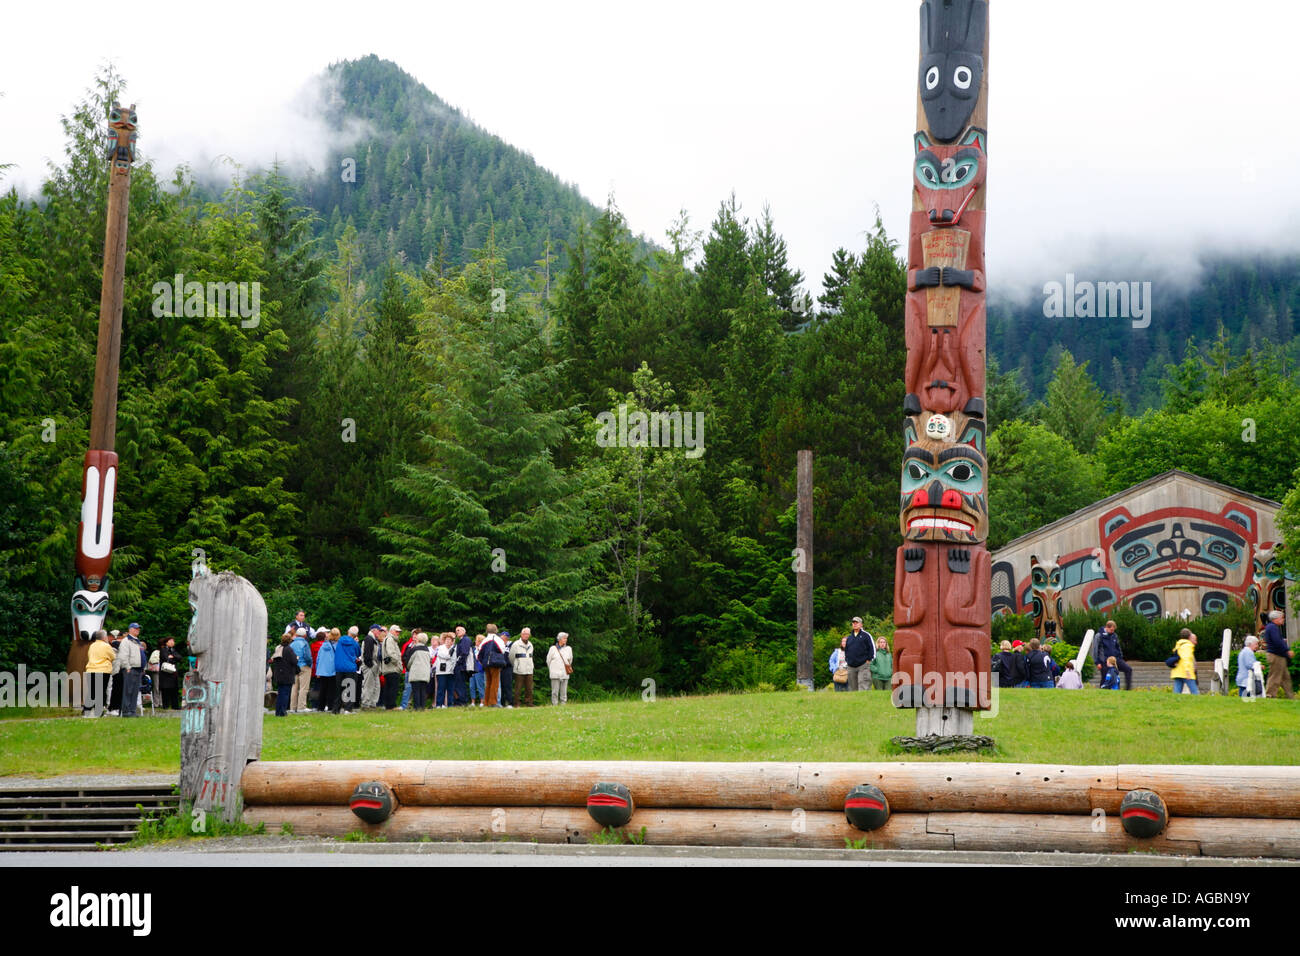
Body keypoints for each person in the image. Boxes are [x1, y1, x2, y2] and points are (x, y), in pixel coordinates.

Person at [1262, 610, 1294, 700]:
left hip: (1279, 655)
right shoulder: (1272, 627)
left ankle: (1290, 697)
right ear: (1275, 619)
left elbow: (1277, 641)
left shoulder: (1272, 627)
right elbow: (1277, 641)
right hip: (1276, 656)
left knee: (1285, 678)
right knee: (1275, 676)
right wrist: (1287, 650)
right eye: (1282, 618)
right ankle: (1270, 696)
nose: (1283, 619)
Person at [83, 630, 115, 718]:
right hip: (103, 670)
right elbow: (113, 656)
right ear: (104, 637)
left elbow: (89, 656)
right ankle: (98, 712)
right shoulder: (106, 646)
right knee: (101, 692)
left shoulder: (92, 645)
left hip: (91, 669)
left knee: (92, 691)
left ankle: (86, 710)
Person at [1094, 620, 1132, 690]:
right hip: (1105, 661)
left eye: (1113, 630)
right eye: (1111, 630)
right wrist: (1097, 662)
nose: (1112, 631)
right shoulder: (1099, 636)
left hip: (1116, 659)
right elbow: (1095, 650)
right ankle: (1102, 691)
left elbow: (1118, 647)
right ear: (1107, 627)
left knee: (1128, 669)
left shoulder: (1114, 635)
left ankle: (1128, 690)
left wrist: (1120, 657)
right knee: (1105, 677)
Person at [117, 622, 145, 717]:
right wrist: (127, 667)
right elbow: (123, 655)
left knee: (135, 691)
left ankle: (132, 711)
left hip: (138, 669)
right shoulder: (126, 641)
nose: (138, 630)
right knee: (128, 690)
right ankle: (126, 711)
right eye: (135, 628)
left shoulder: (137, 641)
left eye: (138, 628)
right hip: (131, 669)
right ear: (130, 630)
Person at [843, 617, 875, 692]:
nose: (855, 624)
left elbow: (872, 649)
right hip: (851, 666)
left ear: (861, 624)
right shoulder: (849, 637)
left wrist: (869, 660)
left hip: (863, 665)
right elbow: (846, 651)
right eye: (853, 623)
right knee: (852, 688)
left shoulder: (866, 635)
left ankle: (866, 701)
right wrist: (847, 661)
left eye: (857, 623)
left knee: (863, 686)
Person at [270, 633, 298, 717]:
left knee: (280, 694)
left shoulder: (279, 648)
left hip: (279, 674)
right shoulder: (289, 649)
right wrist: (297, 658)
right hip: (287, 675)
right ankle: (283, 712)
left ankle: (278, 711)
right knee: (285, 694)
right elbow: (294, 661)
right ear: (290, 640)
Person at [336, 626, 361, 713]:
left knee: (339, 688)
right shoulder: (355, 643)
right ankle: (348, 709)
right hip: (350, 667)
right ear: (356, 635)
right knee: (350, 688)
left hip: (339, 667)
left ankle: (336, 709)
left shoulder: (340, 640)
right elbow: (358, 654)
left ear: (348, 631)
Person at [405, 633, 433, 710]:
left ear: (419, 639)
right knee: (423, 690)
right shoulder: (427, 649)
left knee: (416, 690)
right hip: (425, 673)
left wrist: (409, 667)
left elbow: (409, 661)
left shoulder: (414, 649)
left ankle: (417, 707)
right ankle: (422, 706)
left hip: (416, 672)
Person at [480, 627, 506, 708]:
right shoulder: (498, 639)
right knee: (495, 683)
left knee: (488, 683)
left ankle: (486, 702)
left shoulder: (484, 640)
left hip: (486, 664)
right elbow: (502, 650)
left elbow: (479, 653)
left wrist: (483, 662)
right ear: (496, 631)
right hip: (495, 663)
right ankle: (493, 702)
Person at [380, 625, 404, 710]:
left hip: (388, 668)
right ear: (392, 631)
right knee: (393, 687)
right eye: (396, 631)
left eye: (399, 632)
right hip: (392, 668)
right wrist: (397, 664)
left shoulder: (389, 639)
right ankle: (391, 706)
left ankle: (388, 705)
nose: (398, 633)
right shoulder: (390, 639)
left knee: (388, 687)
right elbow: (391, 653)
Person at [289, 627, 313, 713]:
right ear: (305, 635)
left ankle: (293, 707)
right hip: (304, 666)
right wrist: (310, 664)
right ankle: (301, 707)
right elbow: (307, 656)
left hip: (294, 667)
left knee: (294, 687)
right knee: (303, 687)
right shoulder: (305, 643)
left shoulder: (292, 644)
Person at [361, 624, 384, 709]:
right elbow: (367, 654)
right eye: (379, 631)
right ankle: (365, 704)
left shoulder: (374, 640)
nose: (380, 632)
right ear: (374, 630)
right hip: (370, 667)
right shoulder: (369, 639)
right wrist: (371, 665)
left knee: (376, 686)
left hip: (374, 666)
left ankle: (372, 704)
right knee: (368, 686)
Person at [1170, 628, 1199, 695]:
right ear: (1189, 637)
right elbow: (1186, 659)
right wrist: (1187, 671)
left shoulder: (1178, 645)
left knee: (1176, 692)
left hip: (1177, 672)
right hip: (1186, 673)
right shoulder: (1188, 646)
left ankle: (1175, 704)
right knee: (1195, 692)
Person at [547, 632, 573, 705]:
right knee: (554, 691)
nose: (565, 640)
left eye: (566, 638)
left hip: (565, 673)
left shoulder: (569, 649)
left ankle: (563, 704)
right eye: (564, 638)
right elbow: (548, 660)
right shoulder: (552, 648)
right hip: (555, 673)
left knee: (564, 691)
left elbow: (570, 660)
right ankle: (554, 704)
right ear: (559, 639)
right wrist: (552, 669)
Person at [511, 628, 535, 707]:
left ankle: (529, 703)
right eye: (524, 633)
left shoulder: (530, 644)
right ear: (521, 634)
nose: (526, 635)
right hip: (519, 670)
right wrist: (516, 665)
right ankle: (516, 703)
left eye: (527, 634)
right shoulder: (516, 644)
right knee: (518, 688)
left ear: (529, 635)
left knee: (529, 688)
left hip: (529, 669)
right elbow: (511, 656)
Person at [158, 637, 182, 710]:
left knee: (174, 689)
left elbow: (180, 657)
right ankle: (165, 705)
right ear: (166, 642)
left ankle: (175, 705)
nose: (172, 642)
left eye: (173, 641)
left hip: (173, 673)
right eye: (170, 641)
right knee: (166, 689)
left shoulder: (173, 650)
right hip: (165, 673)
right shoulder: (163, 650)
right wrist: (172, 658)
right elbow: (166, 658)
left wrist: (173, 656)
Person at [435, 632, 458, 708]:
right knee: (441, 689)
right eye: (446, 640)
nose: (448, 641)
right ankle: (439, 704)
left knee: (450, 689)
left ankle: (450, 704)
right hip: (441, 672)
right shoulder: (440, 648)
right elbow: (443, 655)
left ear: (452, 641)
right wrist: (449, 656)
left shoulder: (454, 648)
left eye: (449, 640)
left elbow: (454, 660)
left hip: (450, 672)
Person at [453, 626, 474, 707]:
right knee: (458, 684)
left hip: (462, 666)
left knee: (460, 685)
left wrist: (458, 662)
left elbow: (465, 653)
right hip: (461, 665)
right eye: (456, 631)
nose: (457, 632)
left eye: (459, 630)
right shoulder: (461, 640)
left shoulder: (465, 639)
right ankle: (459, 701)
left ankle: (462, 702)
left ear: (464, 631)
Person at [499, 629, 516, 708]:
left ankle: (510, 702)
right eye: (501, 638)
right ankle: (501, 703)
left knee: (507, 686)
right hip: (499, 668)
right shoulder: (498, 645)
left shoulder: (511, 645)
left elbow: (512, 656)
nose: (502, 639)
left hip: (508, 668)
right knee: (501, 686)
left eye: (504, 638)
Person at [469, 635, 487, 706]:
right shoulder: (473, 649)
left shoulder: (483, 649)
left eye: (476, 640)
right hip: (472, 669)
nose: (475, 641)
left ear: (480, 641)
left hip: (479, 670)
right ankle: (472, 702)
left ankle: (482, 702)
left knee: (480, 686)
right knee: (471, 686)